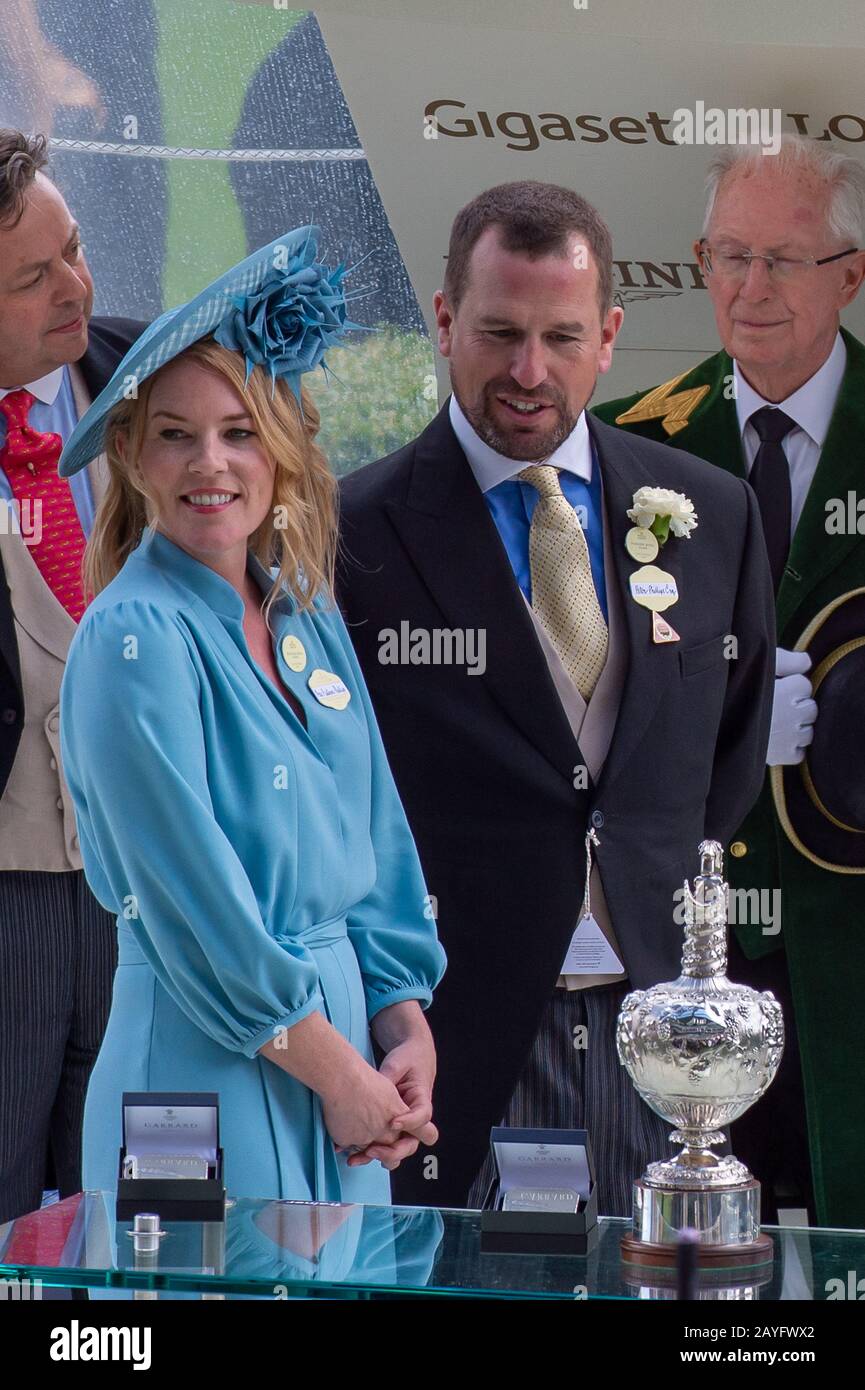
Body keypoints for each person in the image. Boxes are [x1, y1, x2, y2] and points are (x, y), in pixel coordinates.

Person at [336, 180, 776, 1214]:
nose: (530, 373)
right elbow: (340, 799)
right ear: (444, 320)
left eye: (561, 336)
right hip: (455, 1044)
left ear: (610, 335)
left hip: (669, 1043)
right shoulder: (349, 532)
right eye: (498, 332)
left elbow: (726, 754)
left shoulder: (712, 512)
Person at [57, 225, 446, 1203]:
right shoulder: (130, 637)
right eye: (175, 435)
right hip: (201, 1067)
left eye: (238, 432)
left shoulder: (300, 609)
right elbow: (195, 903)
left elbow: (377, 830)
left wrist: (400, 1017)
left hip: (342, 1054)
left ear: (280, 448)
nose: (211, 465)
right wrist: (341, 1071)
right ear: (135, 459)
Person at [593, 136, 865, 1229]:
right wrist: (719, 723)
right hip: (688, 942)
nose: (750, 289)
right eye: (729, 256)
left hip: (847, 935)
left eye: (785, 261)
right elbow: (586, 688)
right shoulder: (630, 446)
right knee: (694, 1242)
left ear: (850, 273)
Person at [0, 128, 145, 1223]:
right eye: (33, 276)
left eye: (77, 249)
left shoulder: (158, 384)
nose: (79, 288)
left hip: (153, 893)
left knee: (143, 1210)